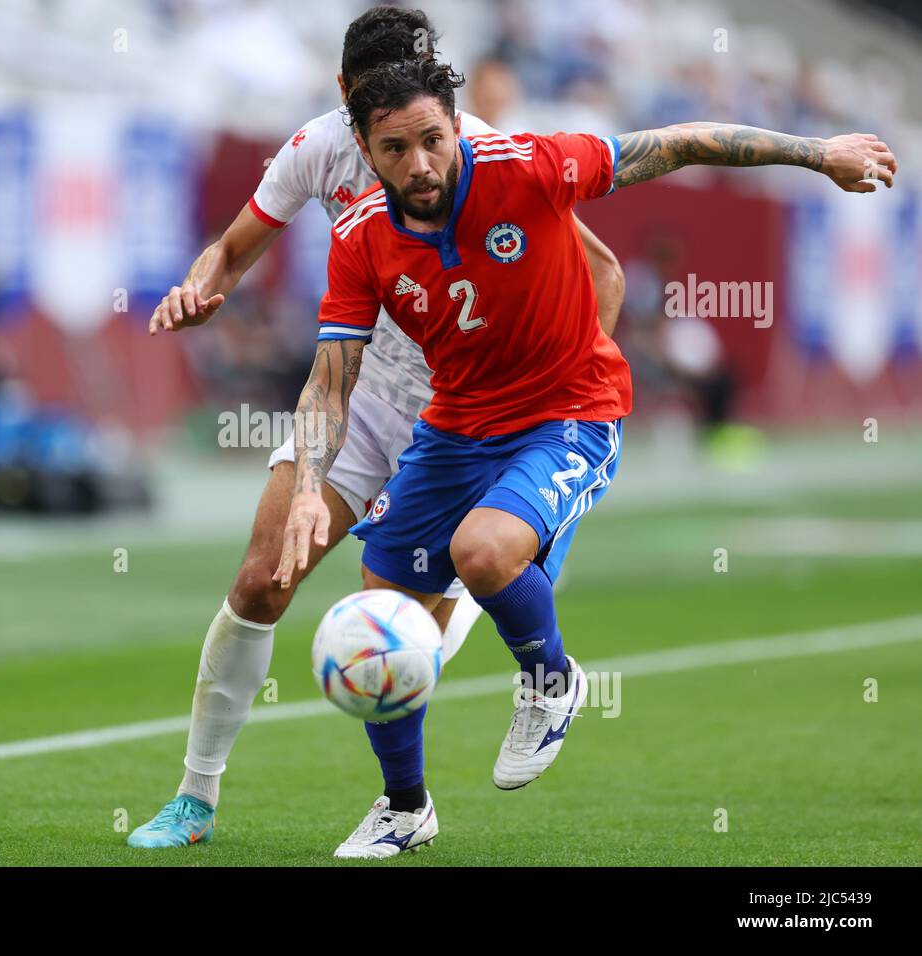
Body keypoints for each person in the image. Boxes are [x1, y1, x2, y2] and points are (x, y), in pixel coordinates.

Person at [272, 56, 895, 857]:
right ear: (363, 144)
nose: (419, 164)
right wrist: (304, 490)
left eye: (433, 139)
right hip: (454, 426)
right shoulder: (359, 240)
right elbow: (331, 382)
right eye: (395, 149)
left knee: (482, 552)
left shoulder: (530, 166)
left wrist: (818, 154)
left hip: (570, 412)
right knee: (383, 603)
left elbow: (680, 142)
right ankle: (405, 807)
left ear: (456, 126)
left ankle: (552, 679)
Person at [129, 5, 625, 852]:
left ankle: (409, 794)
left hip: (476, 417)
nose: (401, 137)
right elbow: (237, 244)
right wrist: (195, 286)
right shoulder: (320, 147)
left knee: (404, 622)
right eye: (374, 108)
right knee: (262, 580)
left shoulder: (473, 151)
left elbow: (600, 269)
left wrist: (560, 403)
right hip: (354, 399)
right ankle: (195, 798)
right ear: (346, 98)